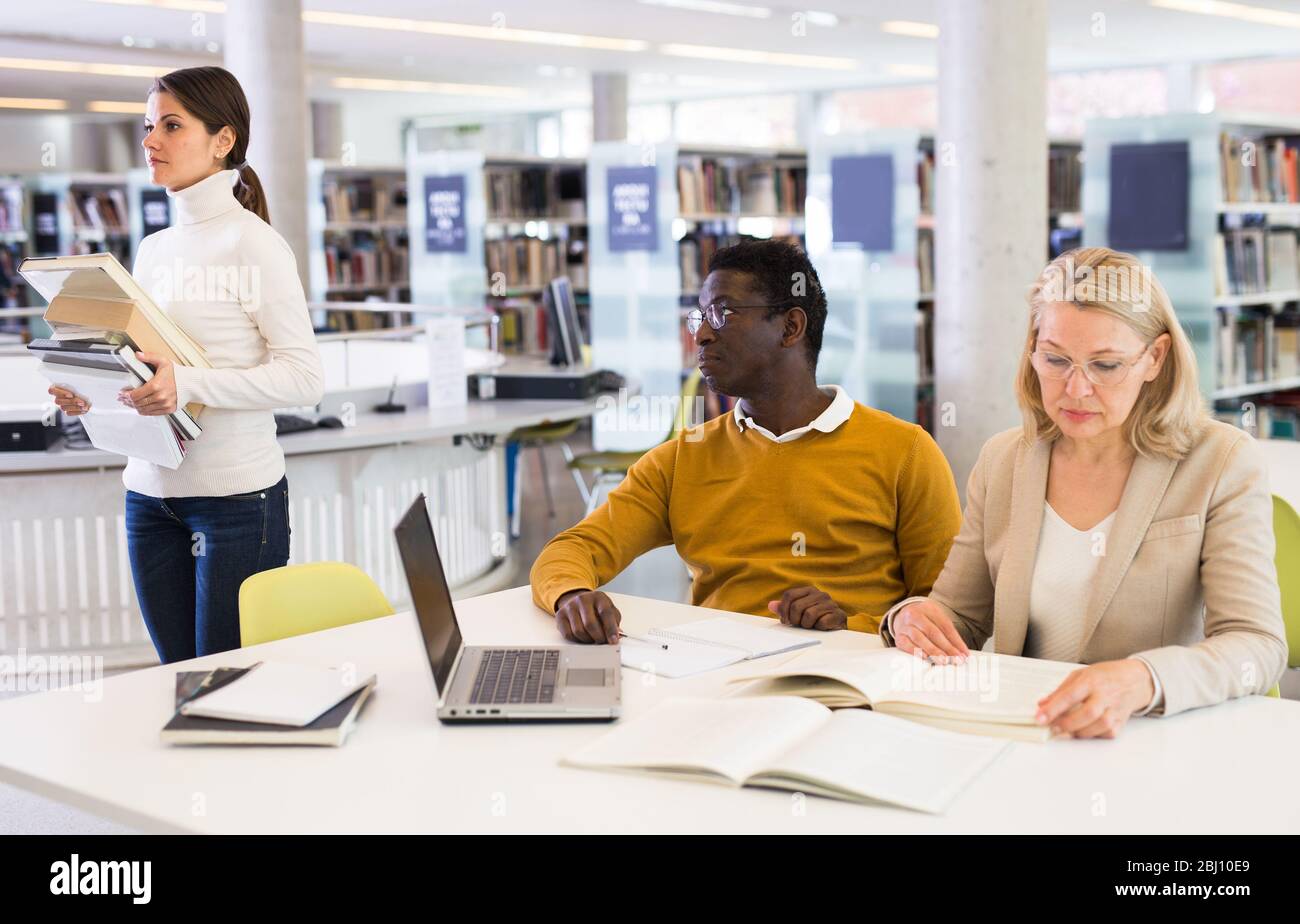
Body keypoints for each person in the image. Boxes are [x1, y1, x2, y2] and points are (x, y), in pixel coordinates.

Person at [880, 247, 1286, 736]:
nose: (1075, 389)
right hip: (1026, 727)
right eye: (1055, 360)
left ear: (1154, 358)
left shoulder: (1221, 461)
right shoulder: (1004, 459)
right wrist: (908, 618)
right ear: (1033, 350)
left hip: (1151, 734)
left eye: (1106, 366)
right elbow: (961, 613)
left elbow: (1256, 644)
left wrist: (1144, 679)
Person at [530, 239, 963, 643]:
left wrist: (852, 626)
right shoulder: (682, 459)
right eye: (699, 316)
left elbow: (949, 612)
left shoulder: (905, 452)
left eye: (724, 313)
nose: (701, 334)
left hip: (852, 686)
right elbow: (573, 550)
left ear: (791, 327)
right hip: (717, 680)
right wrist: (571, 596)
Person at [47, 66, 324, 663]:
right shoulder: (153, 248)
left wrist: (188, 384)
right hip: (148, 496)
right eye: (149, 126)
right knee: (177, 679)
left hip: (235, 502)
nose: (151, 141)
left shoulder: (254, 244)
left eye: (171, 125)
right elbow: (144, 365)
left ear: (223, 140)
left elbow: (305, 377)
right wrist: (87, 391)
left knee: (227, 689)